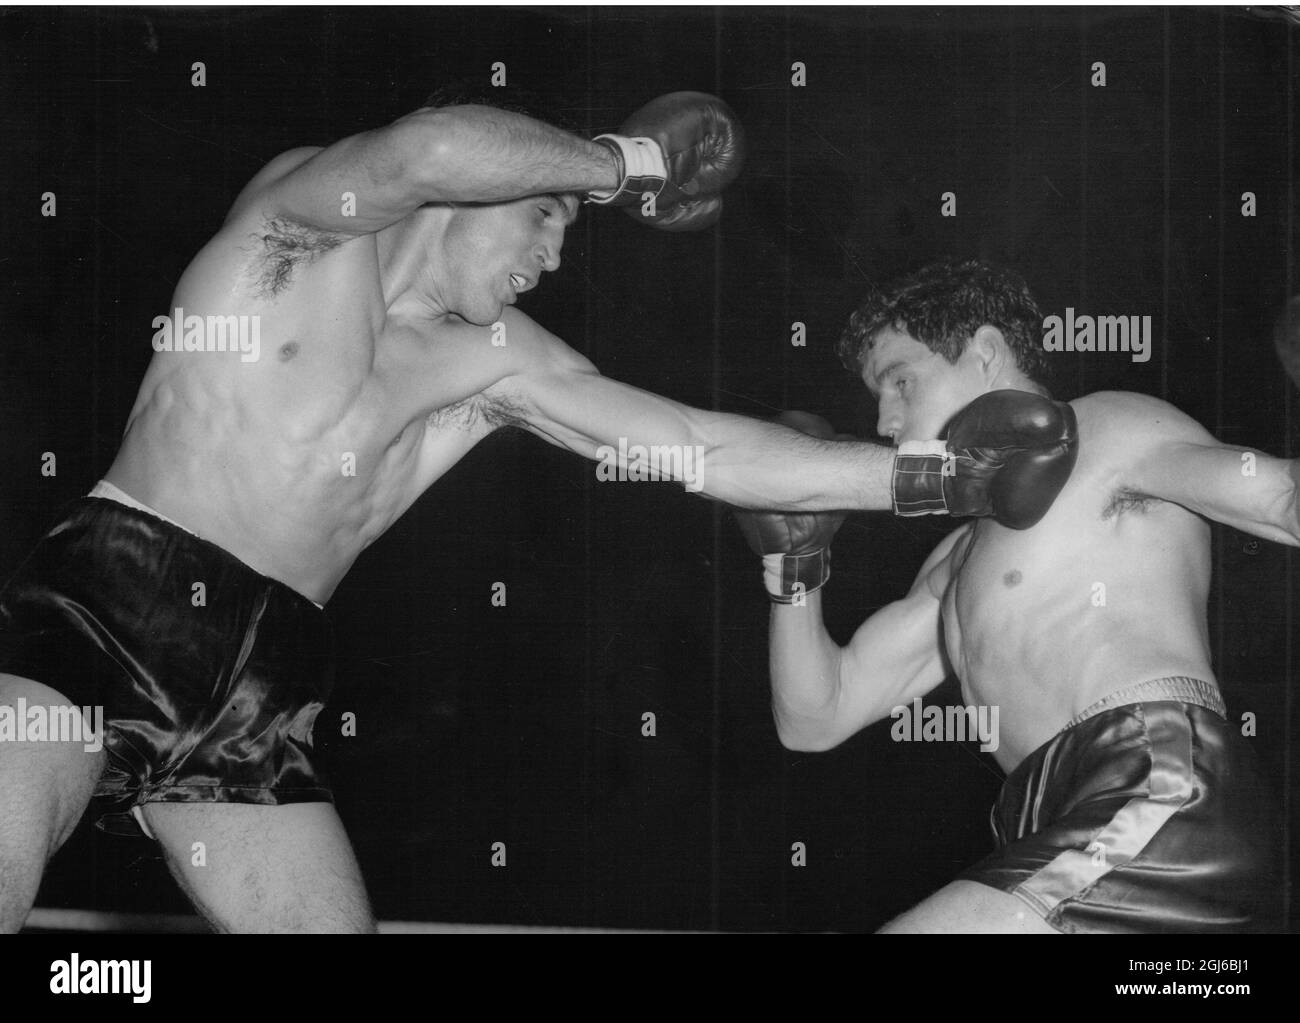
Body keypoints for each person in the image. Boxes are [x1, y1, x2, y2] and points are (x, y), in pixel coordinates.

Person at [0, 94, 1077, 934]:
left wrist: (940, 477)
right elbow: (423, 152)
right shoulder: (303, 230)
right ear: (470, 198)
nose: (553, 258)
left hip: (261, 691)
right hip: (110, 608)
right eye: (541, 216)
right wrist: (622, 167)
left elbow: (699, 446)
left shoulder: (495, 361)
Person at [735, 260, 1296, 933]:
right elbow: (817, 715)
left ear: (985, 352)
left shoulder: (1109, 428)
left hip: (1154, 779)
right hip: (1044, 818)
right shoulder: (956, 558)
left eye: (900, 381)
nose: (883, 420)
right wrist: (795, 566)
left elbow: (1280, 499)